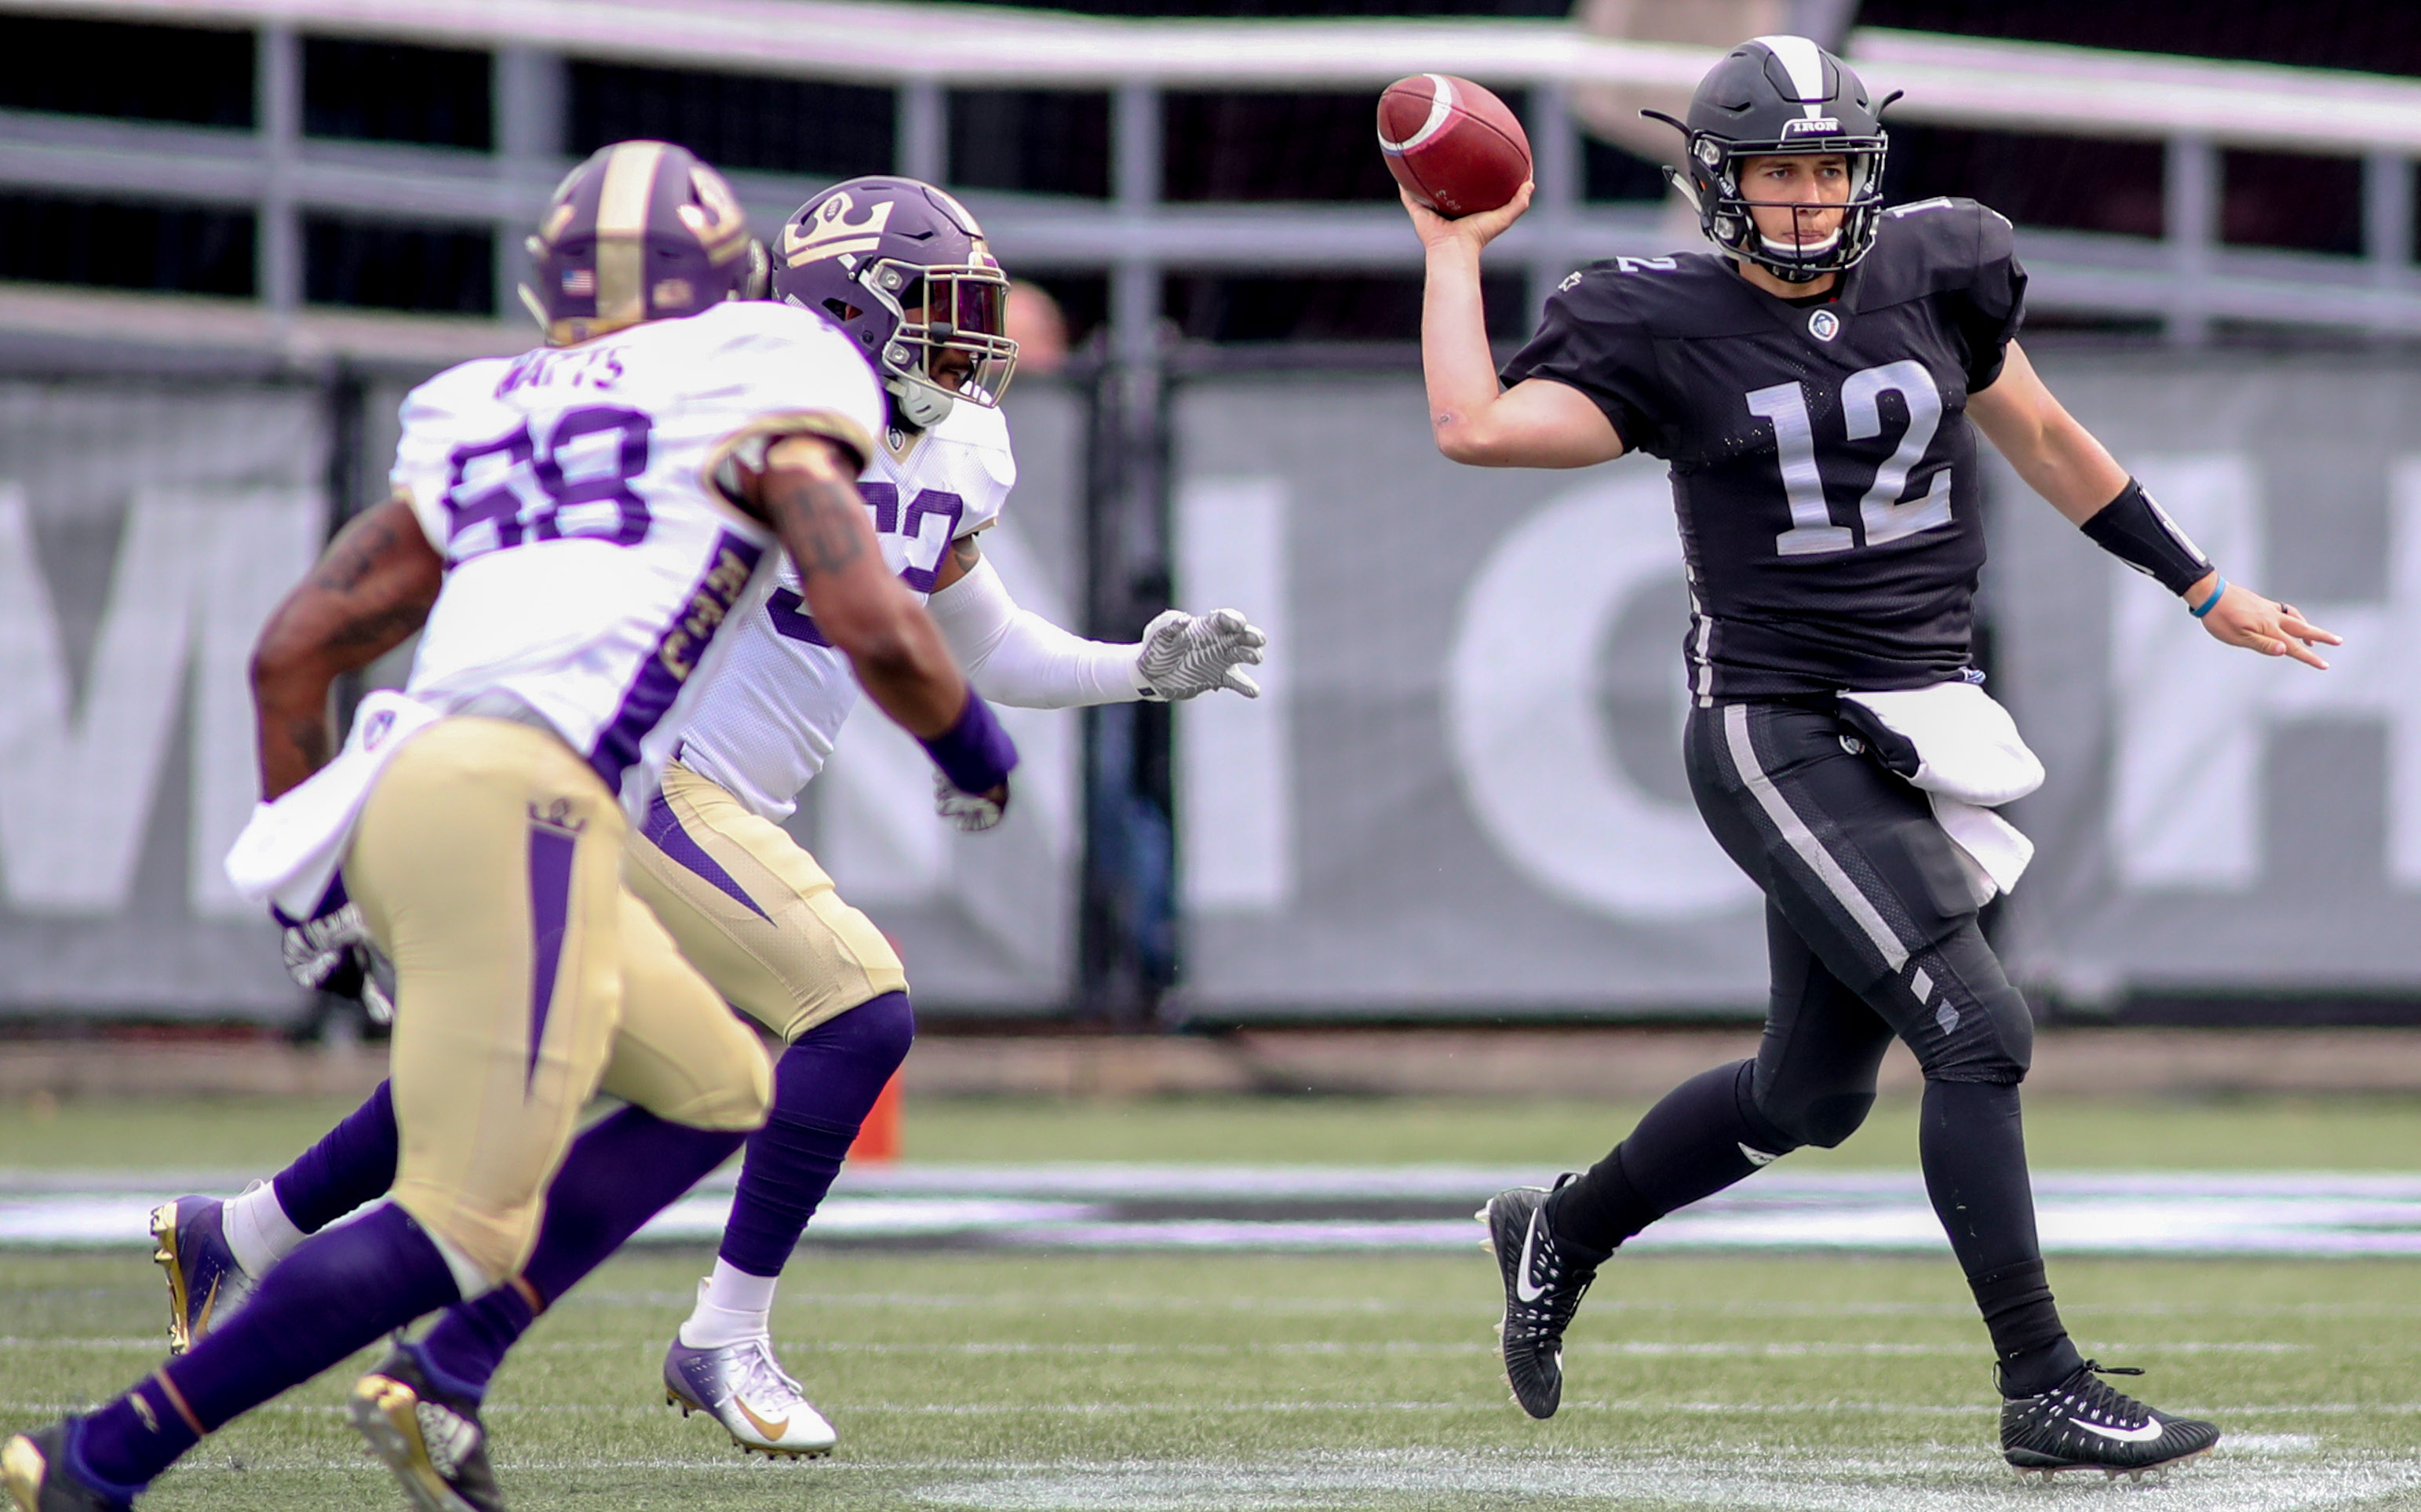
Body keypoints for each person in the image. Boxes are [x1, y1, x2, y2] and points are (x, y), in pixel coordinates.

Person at [140, 177, 1265, 1485]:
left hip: (700, 788)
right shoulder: (744, 415)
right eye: (937, 320)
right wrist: (967, 751)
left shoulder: (955, 449)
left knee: (569, 1060)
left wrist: (1139, 668)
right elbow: (878, 630)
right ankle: (720, 1332)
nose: (969, 354)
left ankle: (249, 1243)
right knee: (854, 1011)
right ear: (848, 317)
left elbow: (984, 639)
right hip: (649, 770)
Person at [2, 142, 1019, 1512]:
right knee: (465, 1220)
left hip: (410, 785)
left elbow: (293, 652)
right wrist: (970, 742)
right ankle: (104, 1456)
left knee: (718, 1083)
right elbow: (861, 601)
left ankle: (393, 1354)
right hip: (525, 798)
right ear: (739, 290)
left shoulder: (482, 404)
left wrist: (308, 886)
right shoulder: (773, 378)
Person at [1411, 37, 2339, 1478]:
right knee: (1977, 1030)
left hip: (1914, 717)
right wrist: (1455, 251)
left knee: (1808, 1099)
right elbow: (1474, 428)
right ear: (1716, 186)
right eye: (1775, 173)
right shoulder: (1656, 322)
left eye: (1827, 170)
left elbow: (2039, 431)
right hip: (1775, 724)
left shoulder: (1938, 267)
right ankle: (2042, 1385)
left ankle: (1560, 1228)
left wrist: (2200, 587)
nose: (1803, 203)